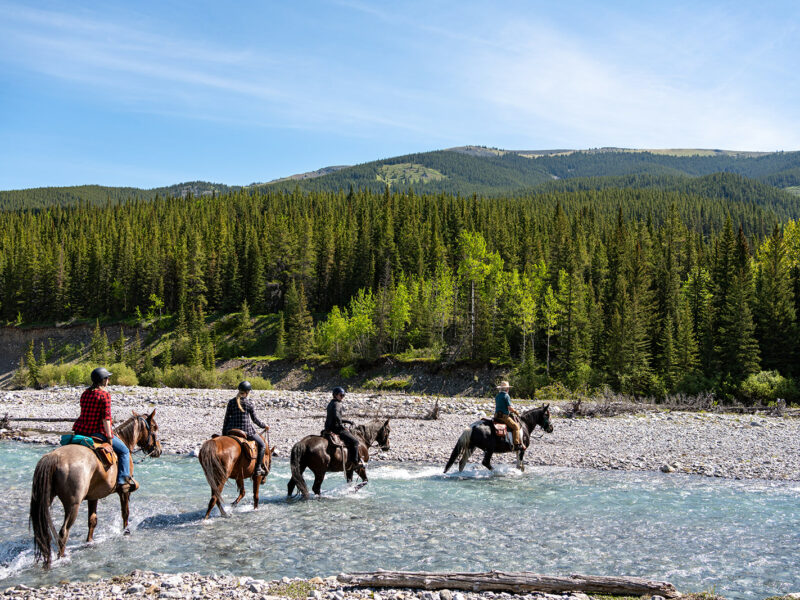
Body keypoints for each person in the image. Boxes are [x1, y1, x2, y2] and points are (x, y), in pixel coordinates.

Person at [72, 367, 137, 492]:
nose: (108, 380)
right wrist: (109, 437)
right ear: (102, 380)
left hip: (80, 431)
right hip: (97, 432)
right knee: (124, 451)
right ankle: (123, 482)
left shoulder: (85, 393)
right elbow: (106, 419)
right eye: (107, 378)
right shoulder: (104, 395)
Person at [222, 381, 270, 475]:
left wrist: (224, 433)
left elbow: (226, 419)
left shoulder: (231, 402)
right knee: (262, 445)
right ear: (247, 392)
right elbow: (255, 420)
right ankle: (258, 469)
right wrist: (264, 426)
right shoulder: (249, 403)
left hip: (231, 430)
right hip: (246, 431)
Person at [325, 386, 363, 470]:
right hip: (336, 428)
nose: (342, 397)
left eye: (343, 395)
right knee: (355, 441)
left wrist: (348, 421)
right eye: (341, 395)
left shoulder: (331, 403)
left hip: (328, 428)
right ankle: (355, 462)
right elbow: (336, 416)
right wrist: (342, 426)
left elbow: (336, 417)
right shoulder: (337, 404)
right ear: (335, 395)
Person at [494, 381, 523, 450]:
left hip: (496, 416)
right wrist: (516, 412)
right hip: (504, 417)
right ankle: (516, 444)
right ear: (507, 389)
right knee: (516, 427)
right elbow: (509, 408)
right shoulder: (506, 396)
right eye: (508, 388)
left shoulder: (497, 396)